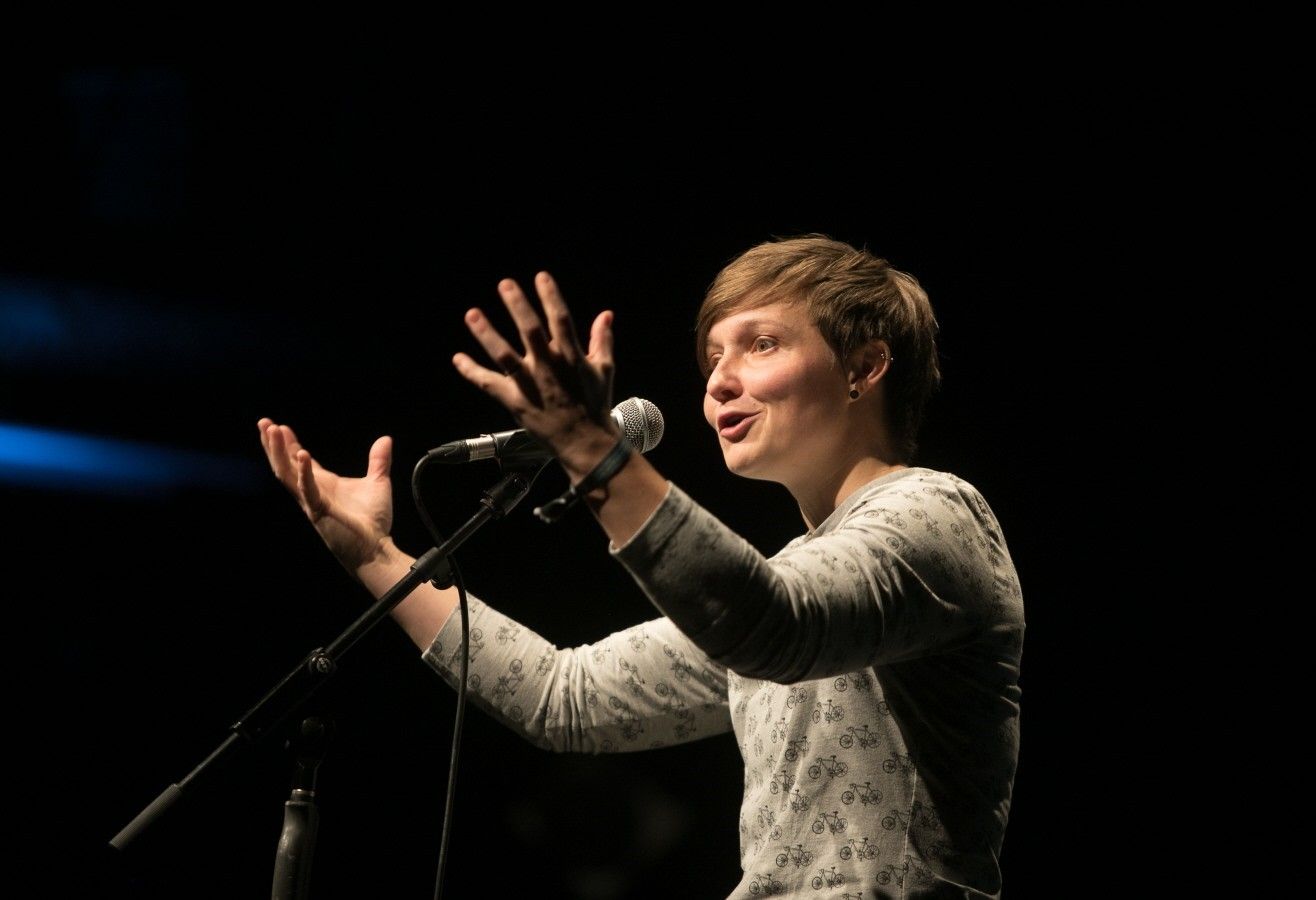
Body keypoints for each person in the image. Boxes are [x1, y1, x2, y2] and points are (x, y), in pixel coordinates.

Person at [258, 234, 1024, 898]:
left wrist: (594, 451)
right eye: (712, 357)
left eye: (760, 344)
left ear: (865, 366)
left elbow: (772, 625)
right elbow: (565, 698)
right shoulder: (793, 573)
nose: (718, 380)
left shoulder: (936, 514)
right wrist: (376, 556)